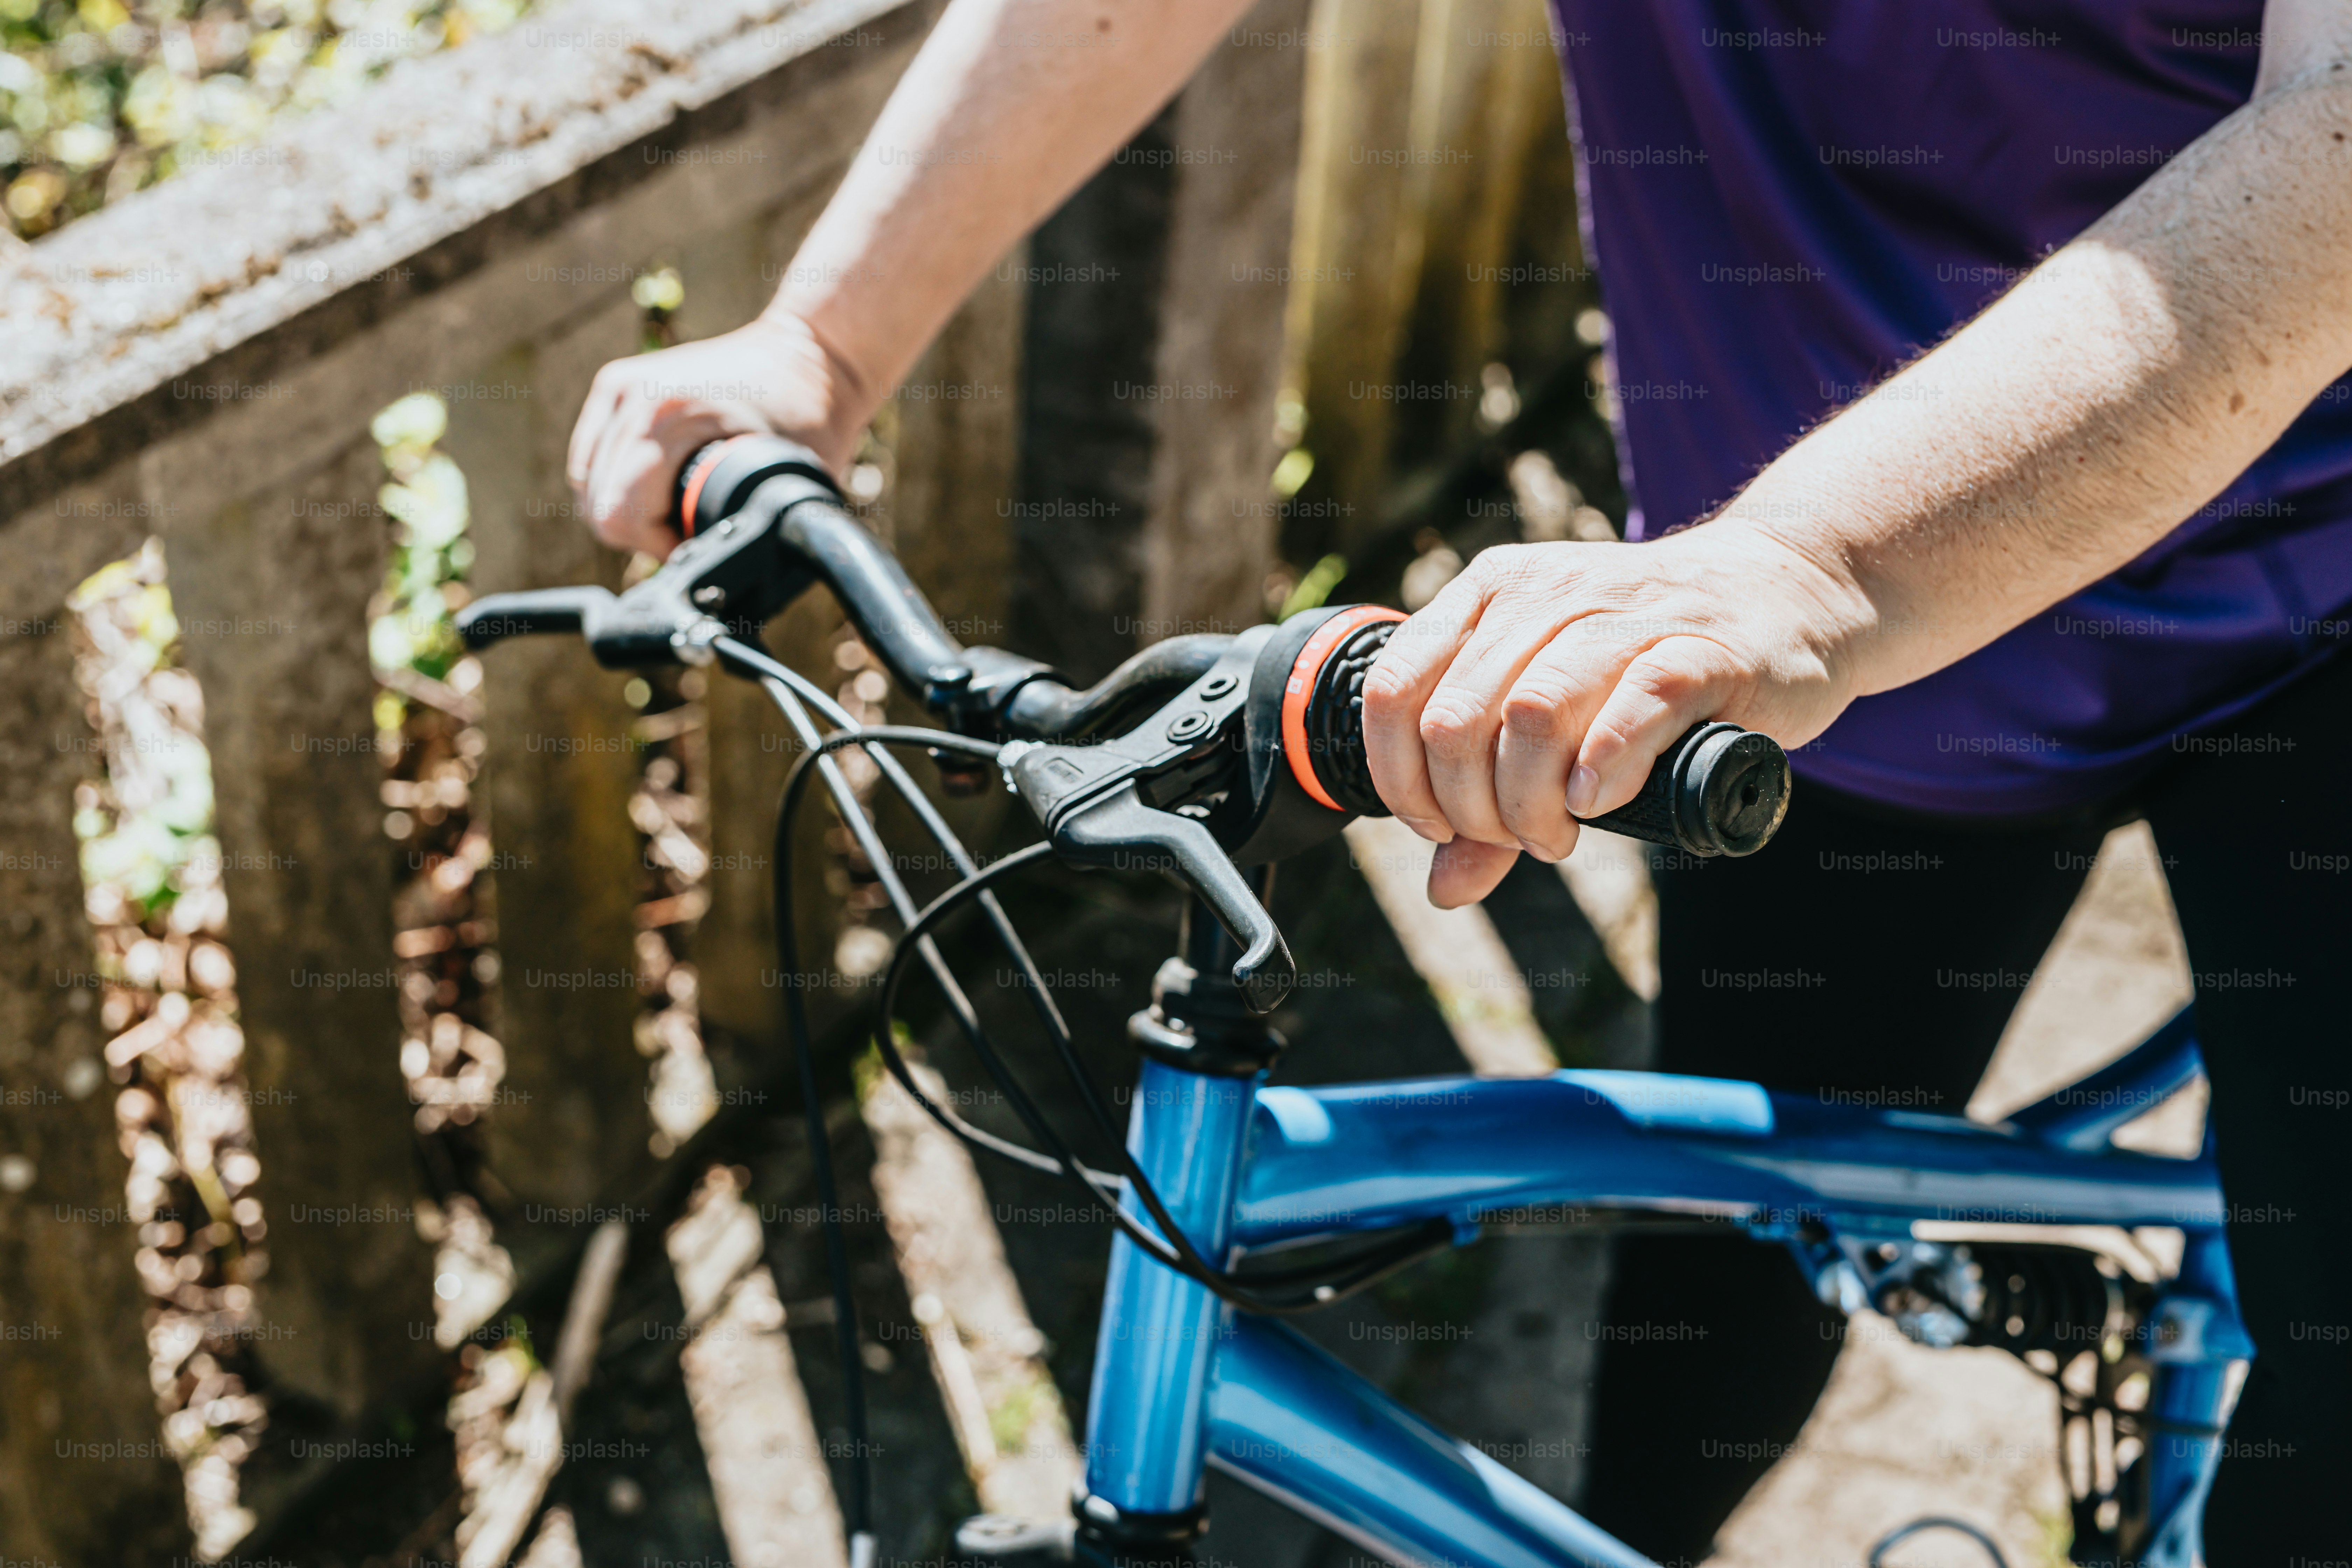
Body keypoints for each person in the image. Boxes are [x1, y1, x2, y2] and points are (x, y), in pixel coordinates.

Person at [567, 0, 2352, 1559]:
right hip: (1821, 676)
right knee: (1725, 1259)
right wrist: (825, 343)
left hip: (2257, 594)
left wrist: (1806, 570)